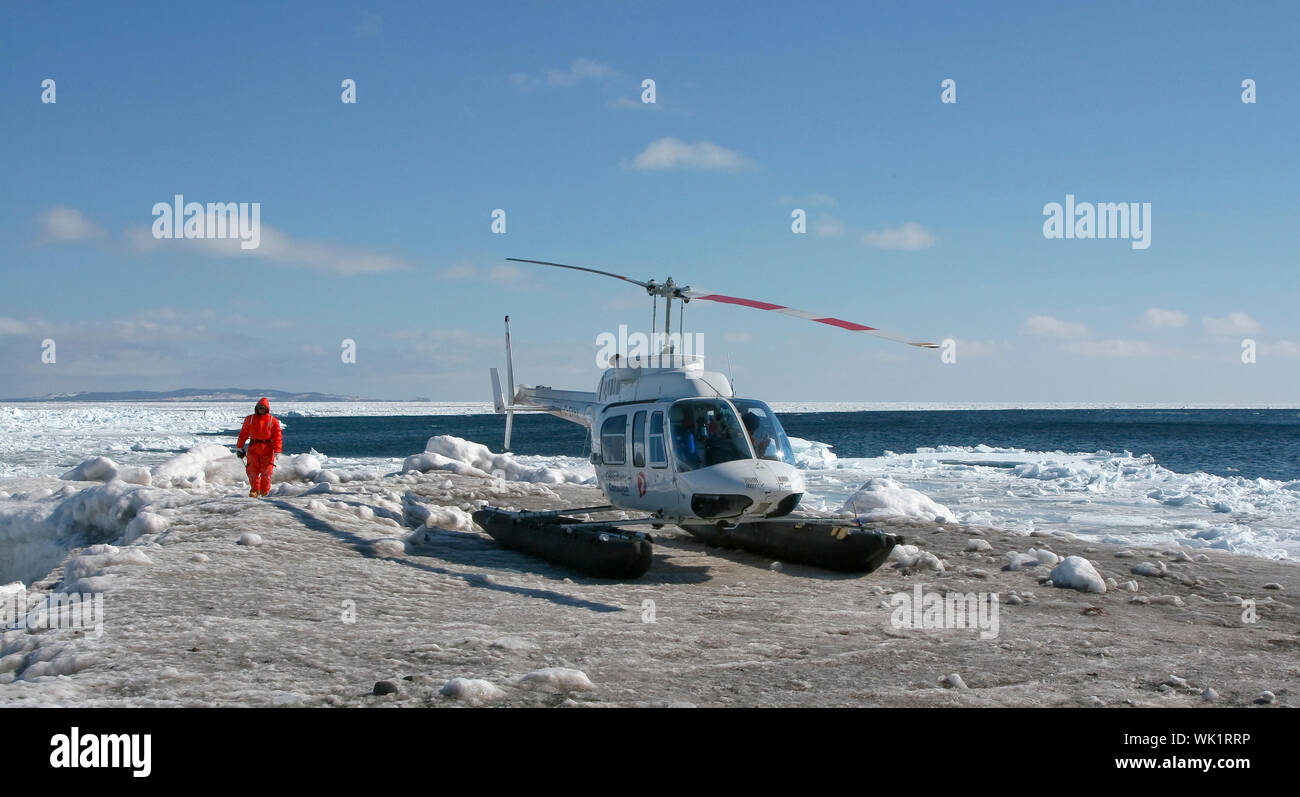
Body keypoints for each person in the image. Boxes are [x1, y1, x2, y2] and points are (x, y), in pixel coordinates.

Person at [236, 397, 282, 497]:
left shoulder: (273, 421)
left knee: (267, 471)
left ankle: (264, 491)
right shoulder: (250, 419)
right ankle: (255, 490)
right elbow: (243, 434)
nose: (261, 409)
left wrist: (277, 450)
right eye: (260, 407)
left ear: (267, 409)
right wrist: (239, 446)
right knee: (252, 470)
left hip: (267, 448)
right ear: (256, 408)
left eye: (263, 408)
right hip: (253, 447)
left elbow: (277, 436)